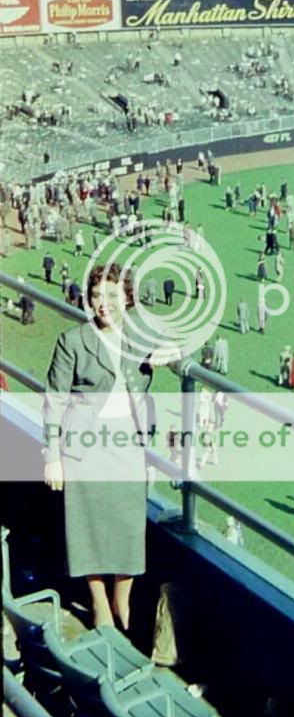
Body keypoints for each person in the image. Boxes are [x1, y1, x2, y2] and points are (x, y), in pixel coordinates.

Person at [43, 263, 178, 629]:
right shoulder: (73, 340)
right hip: (83, 447)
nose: (103, 304)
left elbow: (187, 351)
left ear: (128, 298)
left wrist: (170, 351)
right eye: (97, 296)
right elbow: (54, 400)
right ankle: (100, 605)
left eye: (112, 296)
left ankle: (124, 603)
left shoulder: (142, 334)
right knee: (86, 527)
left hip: (127, 444)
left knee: (127, 526)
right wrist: (52, 457)